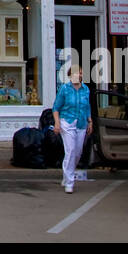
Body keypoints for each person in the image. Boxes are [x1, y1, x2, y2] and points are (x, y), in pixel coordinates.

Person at [52, 65, 92, 194]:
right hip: (67, 122)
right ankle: (69, 182)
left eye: (80, 73)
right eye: (76, 74)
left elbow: (87, 107)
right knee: (70, 150)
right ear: (70, 75)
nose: (78, 76)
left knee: (77, 153)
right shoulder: (65, 89)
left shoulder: (85, 89)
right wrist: (57, 123)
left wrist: (90, 121)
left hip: (81, 123)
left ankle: (66, 175)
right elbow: (56, 108)